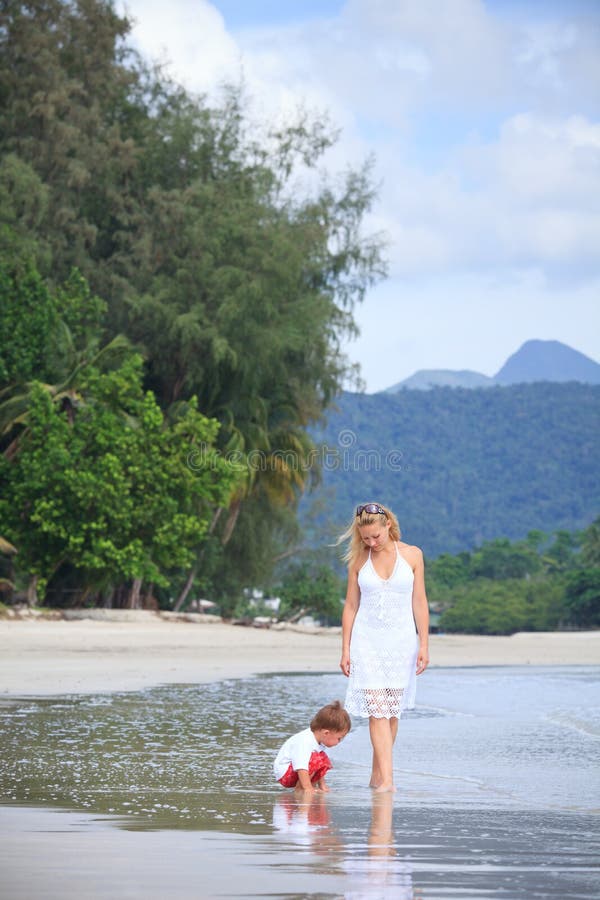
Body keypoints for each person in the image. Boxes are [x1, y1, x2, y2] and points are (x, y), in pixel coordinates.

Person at [339, 502, 429, 793]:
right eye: (365, 538)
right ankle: (388, 781)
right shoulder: (358, 560)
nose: (371, 543)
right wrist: (345, 649)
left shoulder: (413, 555)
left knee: (391, 713)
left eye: (375, 536)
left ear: (388, 524)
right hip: (367, 642)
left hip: (402, 643)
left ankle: (377, 775)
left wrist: (424, 644)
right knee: (377, 712)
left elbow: (419, 602)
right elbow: (351, 606)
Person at [273, 700, 351, 793]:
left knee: (323, 759)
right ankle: (302, 788)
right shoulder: (305, 741)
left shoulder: (318, 741)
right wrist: (307, 788)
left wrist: (322, 785)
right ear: (326, 733)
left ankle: (311, 786)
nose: (339, 742)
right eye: (339, 738)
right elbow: (301, 767)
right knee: (316, 759)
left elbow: (319, 765)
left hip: (295, 771)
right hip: (285, 774)